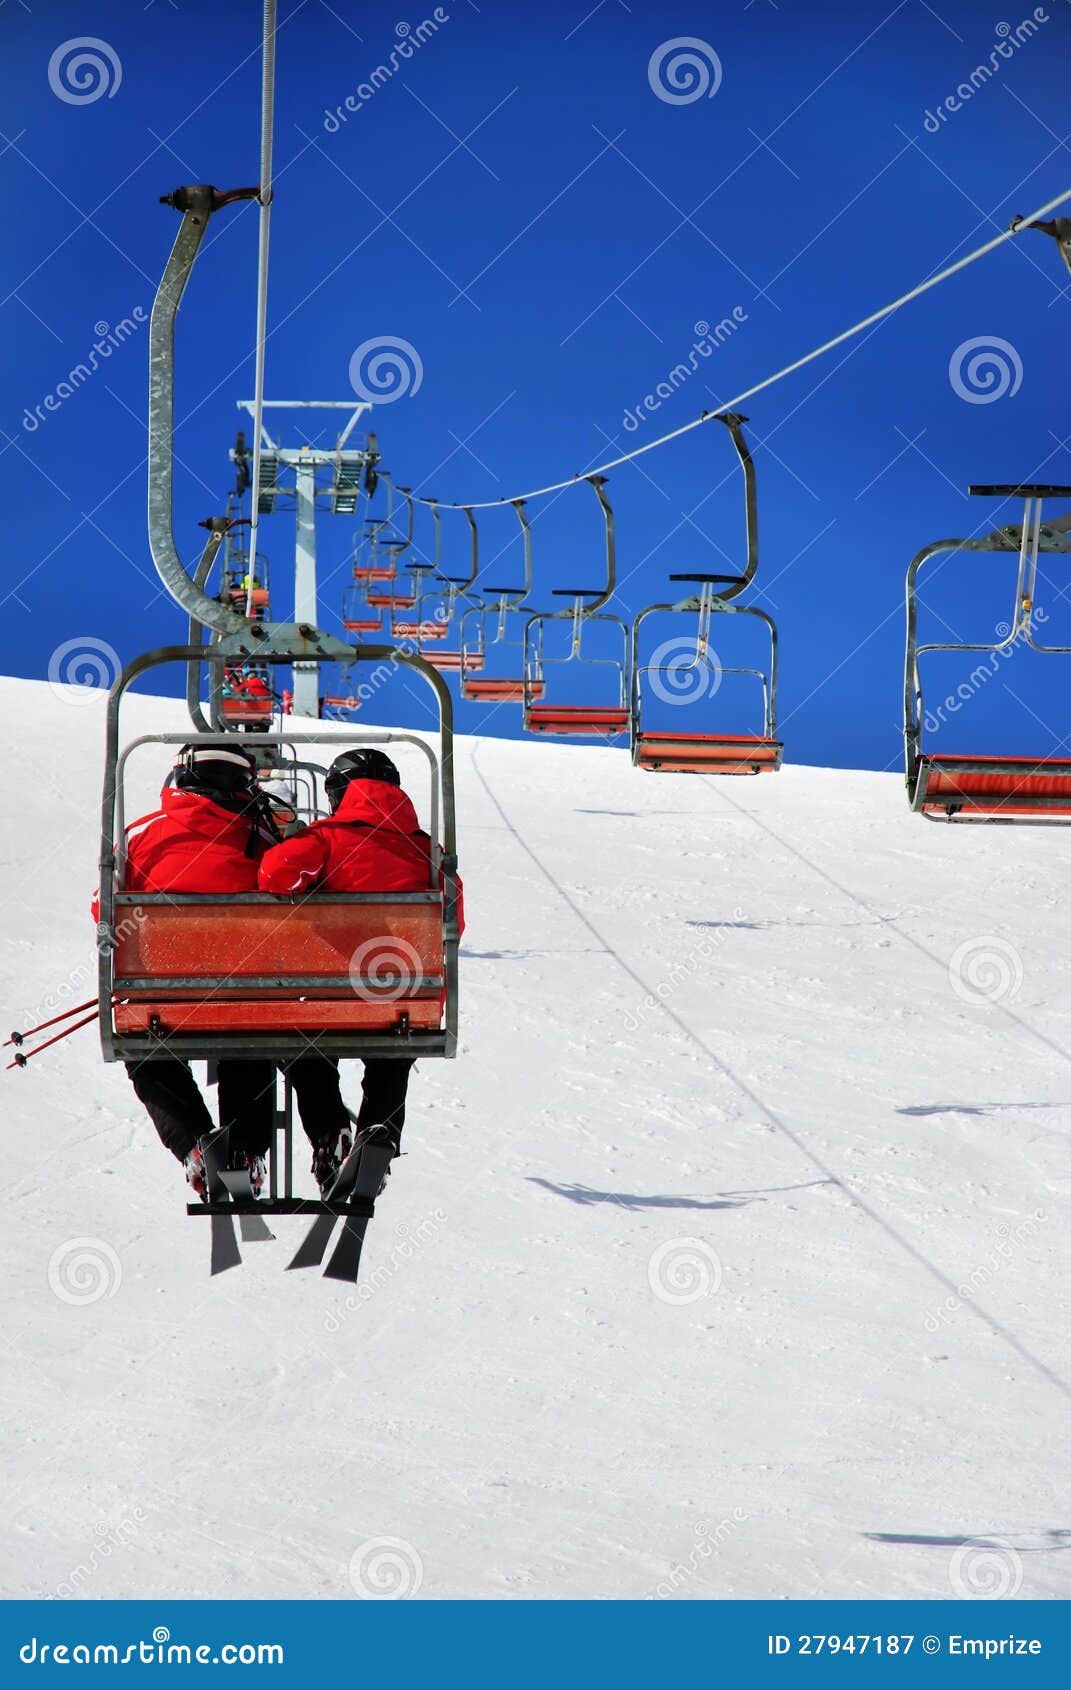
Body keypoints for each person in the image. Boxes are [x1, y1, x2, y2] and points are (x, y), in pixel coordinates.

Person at [257, 748, 464, 1193]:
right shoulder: (428, 851)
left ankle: (330, 1135)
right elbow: (452, 922)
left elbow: (274, 875)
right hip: (405, 999)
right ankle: (379, 1135)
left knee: (305, 1045)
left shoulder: (326, 839)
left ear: (337, 795)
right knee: (394, 1049)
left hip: (329, 998)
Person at [113, 744, 281, 1200]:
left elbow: (103, 908)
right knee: (251, 1034)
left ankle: (195, 1143)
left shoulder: (142, 835)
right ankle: (244, 1150)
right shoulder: (263, 840)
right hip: (243, 997)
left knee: (147, 1052)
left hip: (161, 999)